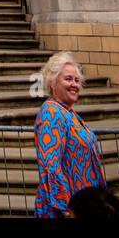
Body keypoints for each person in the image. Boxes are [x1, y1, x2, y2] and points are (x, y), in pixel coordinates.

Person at [34, 52, 105, 218]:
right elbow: (50, 166)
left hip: (84, 207)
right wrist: (66, 208)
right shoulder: (51, 113)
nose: (74, 84)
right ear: (53, 82)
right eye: (68, 79)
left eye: (77, 80)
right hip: (67, 210)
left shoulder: (68, 112)